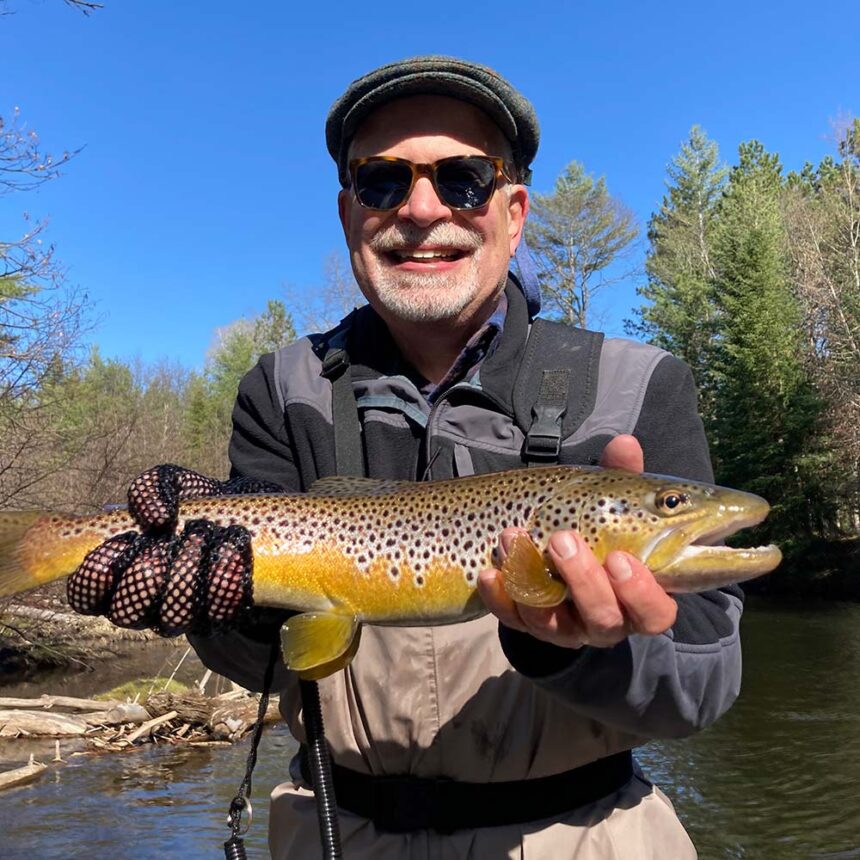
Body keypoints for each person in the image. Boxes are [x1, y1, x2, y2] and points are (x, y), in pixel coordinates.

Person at [69, 56, 742, 859]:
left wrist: (562, 644)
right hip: (337, 834)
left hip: (586, 836)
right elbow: (278, 666)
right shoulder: (281, 389)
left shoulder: (637, 386)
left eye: (464, 178)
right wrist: (223, 610)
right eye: (383, 181)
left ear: (514, 212)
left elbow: (702, 690)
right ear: (349, 213)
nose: (422, 209)